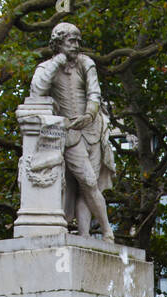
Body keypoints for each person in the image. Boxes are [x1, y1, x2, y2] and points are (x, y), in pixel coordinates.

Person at [30, 22, 115, 241]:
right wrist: (59, 59)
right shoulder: (47, 68)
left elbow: (94, 93)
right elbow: (37, 90)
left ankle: (86, 234)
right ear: (58, 43)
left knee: (87, 187)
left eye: (78, 41)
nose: (77, 45)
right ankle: (107, 231)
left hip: (93, 130)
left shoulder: (86, 63)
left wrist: (89, 114)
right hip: (69, 135)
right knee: (87, 181)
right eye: (71, 41)